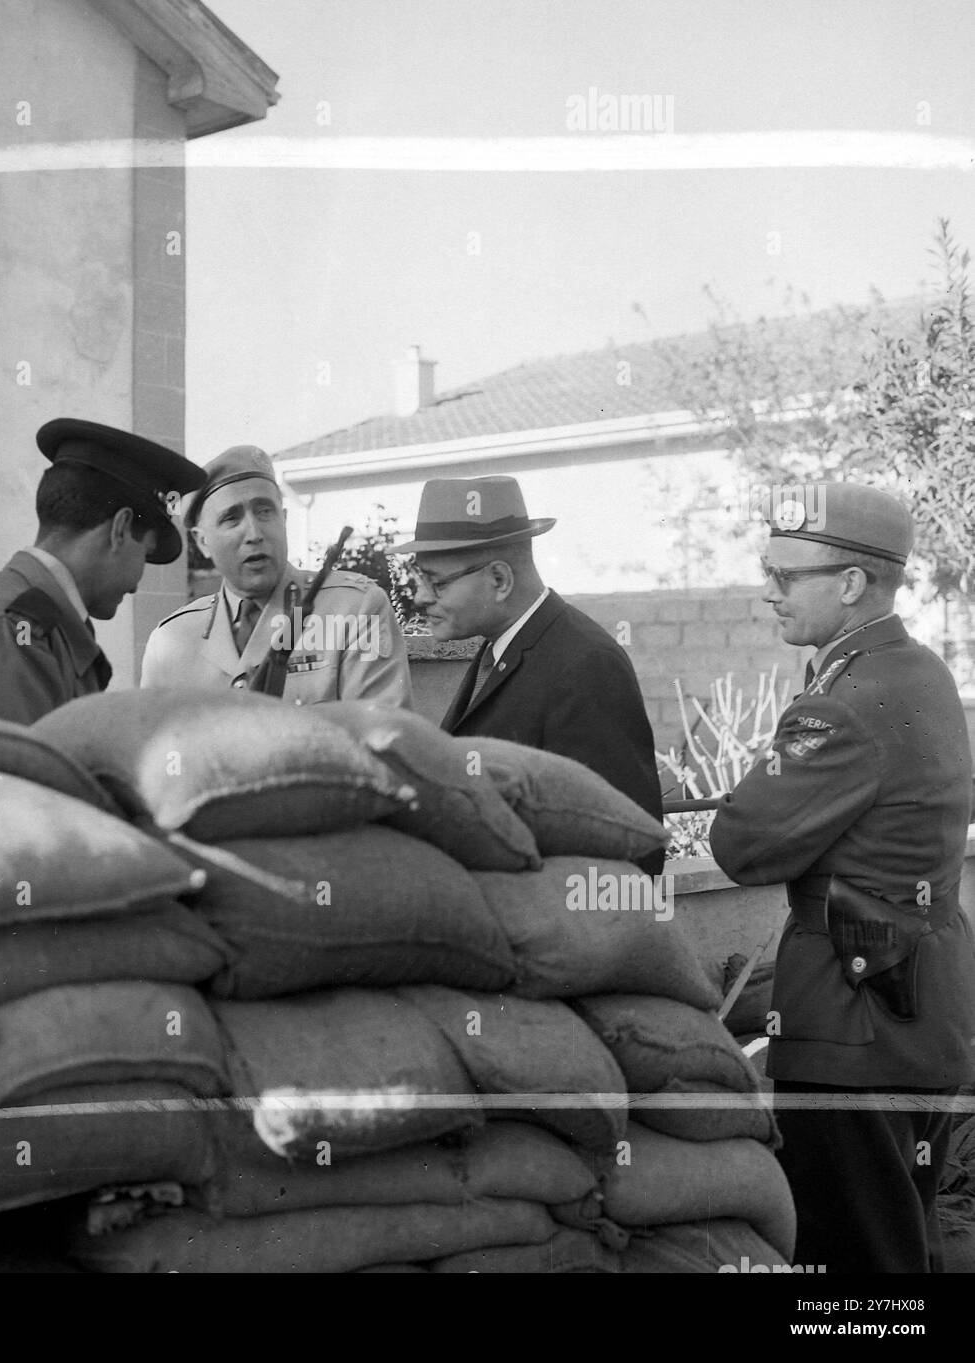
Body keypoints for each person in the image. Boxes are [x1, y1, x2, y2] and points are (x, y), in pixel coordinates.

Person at [709, 481, 975, 1274]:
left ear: (852, 584)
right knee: (903, 1250)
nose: (768, 591)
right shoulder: (920, 672)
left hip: (848, 1030)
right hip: (920, 1016)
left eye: (786, 576)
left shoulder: (843, 702)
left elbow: (740, 842)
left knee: (852, 1273)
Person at [396, 475, 664, 873]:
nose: (419, 597)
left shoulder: (585, 663)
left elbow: (632, 844)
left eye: (435, 582)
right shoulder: (502, 645)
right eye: (419, 579)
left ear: (499, 580)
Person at [0, 418, 204, 725]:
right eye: (145, 552)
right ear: (121, 529)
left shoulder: (34, 623)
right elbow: (18, 770)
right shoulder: (9, 629)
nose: (137, 584)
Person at [141, 445, 412, 706]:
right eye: (231, 518)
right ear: (202, 542)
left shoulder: (355, 610)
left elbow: (381, 738)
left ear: (284, 520)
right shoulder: (170, 641)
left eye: (264, 511)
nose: (255, 533)